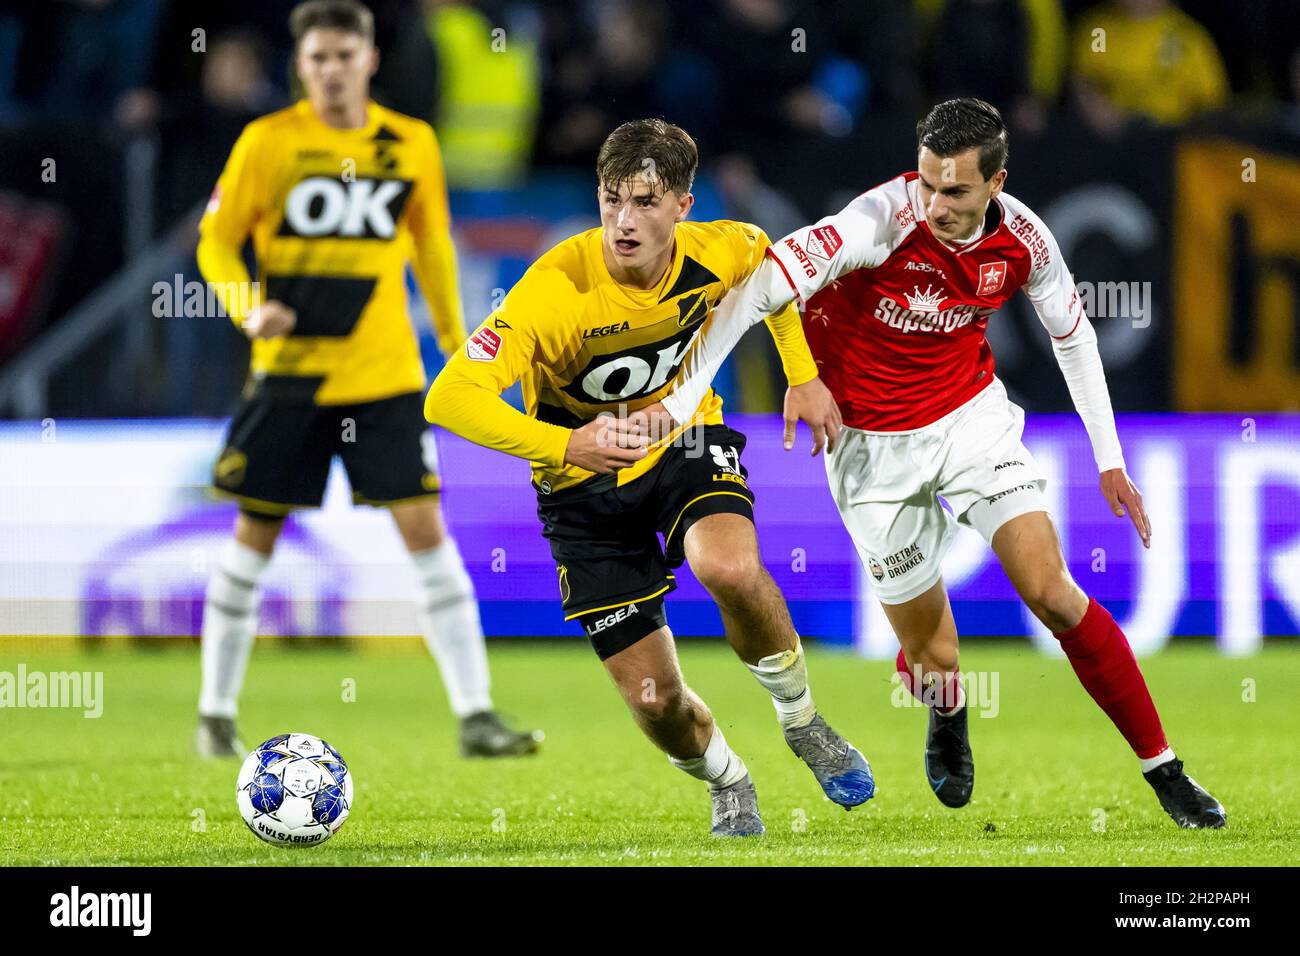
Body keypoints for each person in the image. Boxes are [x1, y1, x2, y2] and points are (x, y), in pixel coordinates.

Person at [649, 97, 1225, 829]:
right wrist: (696, 396)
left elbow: (1073, 338)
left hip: (970, 421)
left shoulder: (1024, 239)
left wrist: (1109, 460)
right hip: (869, 448)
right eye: (928, 183)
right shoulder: (877, 221)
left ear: (996, 182)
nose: (936, 204)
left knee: (1053, 593)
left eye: (955, 191)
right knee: (937, 659)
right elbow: (764, 281)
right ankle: (946, 710)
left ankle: (1166, 771)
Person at [423, 117, 870, 836]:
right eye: (611, 200)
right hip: (580, 489)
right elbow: (448, 398)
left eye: (645, 202)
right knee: (657, 703)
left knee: (725, 565)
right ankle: (729, 780)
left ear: (683, 205)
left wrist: (803, 375)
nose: (623, 222)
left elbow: (772, 275)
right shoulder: (554, 289)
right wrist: (567, 445)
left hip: (684, 441)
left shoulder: (723, 247)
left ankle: (802, 721)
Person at [194, 0, 539, 760]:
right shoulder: (269, 141)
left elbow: (434, 250)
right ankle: (215, 713)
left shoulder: (410, 143)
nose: (331, 71)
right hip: (290, 377)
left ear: (370, 60)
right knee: (255, 535)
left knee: (425, 530)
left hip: (384, 377)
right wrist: (246, 307)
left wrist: (461, 347)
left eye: (344, 57)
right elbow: (215, 243)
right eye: (317, 59)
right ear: (301, 65)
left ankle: (477, 714)